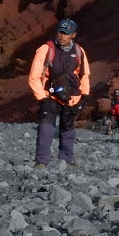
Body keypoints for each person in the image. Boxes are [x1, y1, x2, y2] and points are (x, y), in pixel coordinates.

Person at [28, 18, 90, 165]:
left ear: (73, 35)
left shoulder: (79, 51)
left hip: (72, 97)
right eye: (60, 32)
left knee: (68, 128)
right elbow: (33, 77)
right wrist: (42, 97)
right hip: (50, 97)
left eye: (66, 33)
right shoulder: (46, 50)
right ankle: (41, 162)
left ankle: (67, 160)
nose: (62, 36)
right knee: (46, 128)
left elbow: (84, 75)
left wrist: (85, 96)